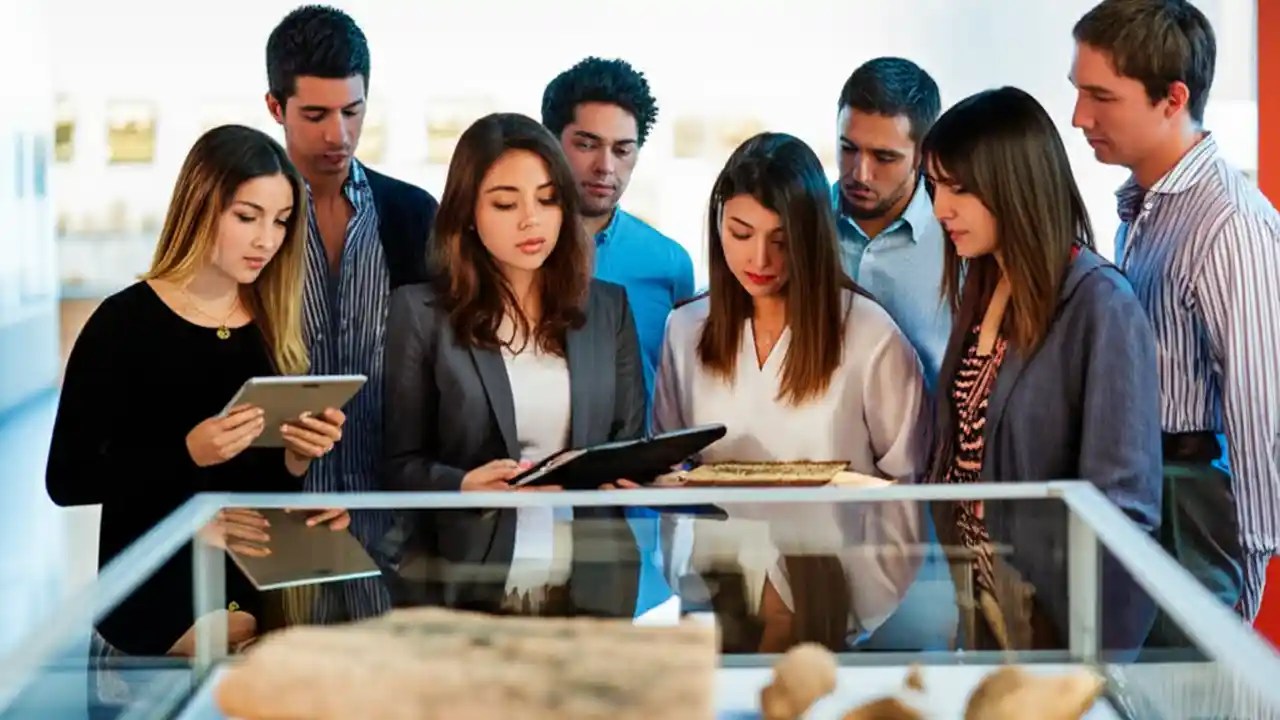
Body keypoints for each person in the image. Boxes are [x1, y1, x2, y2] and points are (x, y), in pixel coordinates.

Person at [45, 125, 348, 657]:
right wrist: (186, 453)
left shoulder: (276, 326)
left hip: (257, 616)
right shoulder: (121, 324)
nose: (267, 240)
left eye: (280, 221)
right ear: (200, 206)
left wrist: (298, 462)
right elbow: (68, 480)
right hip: (153, 619)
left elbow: (262, 491)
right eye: (247, 217)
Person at [652, 132, 938, 653]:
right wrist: (688, 580)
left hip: (833, 590)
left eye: (781, 241)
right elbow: (669, 470)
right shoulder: (686, 329)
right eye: (740, 233)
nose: (759, 258)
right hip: (719, 589)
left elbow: (906, 483)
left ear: (811, 237)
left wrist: (863, 602)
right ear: (718, 226)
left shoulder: (868, 333)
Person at [921, 86, 1163, 652]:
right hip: (984, 607)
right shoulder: (983, 284)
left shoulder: (1101, 304)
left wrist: (1088, 659)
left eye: (959, 188)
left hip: (1056, 623)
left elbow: (1123, 511)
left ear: (1013, 184)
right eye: (935, 187)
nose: (940, 209)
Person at [382, 112, 651, 618]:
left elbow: (628, 442)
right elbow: (398, 464)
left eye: (547, 199)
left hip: (592, 582)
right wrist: (462, 485)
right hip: (464, 584)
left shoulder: (608, 309)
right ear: (467, 212)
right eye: (506, 204)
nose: (532, 220)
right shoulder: (420, 313)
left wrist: (638, 474)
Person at [1071, 0, 1279, 628]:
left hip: (1192, 503)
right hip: (1146, 487)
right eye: (1079, 91)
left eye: (1101, 97)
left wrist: (1245, 583)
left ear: (1172, 98)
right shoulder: (1146, 208)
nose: (1080, 116)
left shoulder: (1229, 222)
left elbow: (1259, 413)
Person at [265, 4, 439, 620]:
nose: (337, 135)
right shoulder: (248, 224)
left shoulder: (413, 214)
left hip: (395, 533)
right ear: (275, 107)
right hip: (275, 528)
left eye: (352, 111)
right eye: (315, 115)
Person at [541, 57, 695, 400]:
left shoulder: (669, 263)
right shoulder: (518, 250)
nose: (606, 167)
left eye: (622, 150)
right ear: (549, 142)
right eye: (586, 145)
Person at [833, 57, 951, 386]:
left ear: (923, 156)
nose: (860, 173)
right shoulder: (797, 225)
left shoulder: (959, 242)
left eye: (884, 157)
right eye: (848, 149)